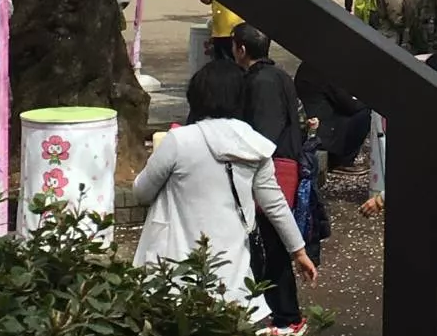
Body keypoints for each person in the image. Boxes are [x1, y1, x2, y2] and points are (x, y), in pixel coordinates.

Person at [134, 57, 314, 319]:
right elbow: (275, 205)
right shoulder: (255, 145)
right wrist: (298, 251)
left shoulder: (179, 141)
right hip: (231, 264)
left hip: (172, 261)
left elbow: (141, 192)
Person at [232, 24, 311, 332]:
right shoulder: (278, 75)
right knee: (272, 240)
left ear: (240, 48)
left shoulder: (260, 82)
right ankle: (283, 313)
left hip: (272, 165)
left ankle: (285, 315)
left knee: (269, 243)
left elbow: (263, 135)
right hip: (284, 161)